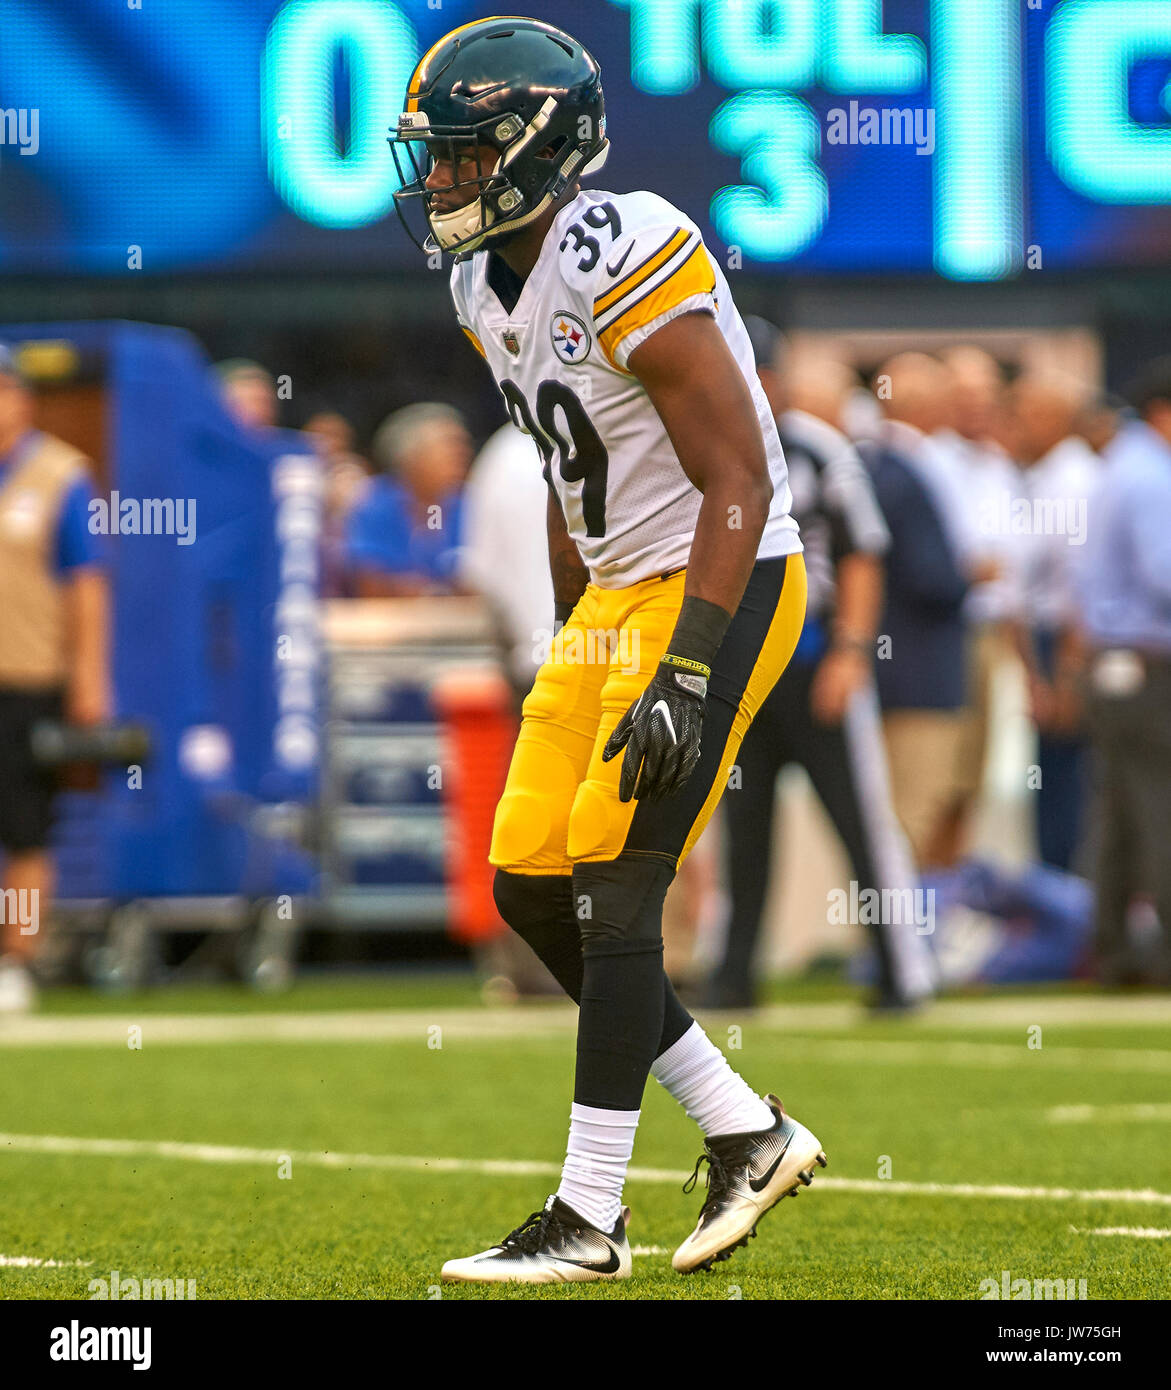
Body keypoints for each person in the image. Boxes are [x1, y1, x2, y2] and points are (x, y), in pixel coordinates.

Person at [389, 16, 824, 1283]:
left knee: (613, 880)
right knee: (529, 880)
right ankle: (746, 1128)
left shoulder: (625, 243)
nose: (442, 180)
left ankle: (589, 1217)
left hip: (719, 580)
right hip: (608, 605)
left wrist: (686, 665)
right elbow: (561, 459)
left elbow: (738, 473)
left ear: (533, 149)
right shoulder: (481, 285)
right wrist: (572, 627)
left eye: (463, 156)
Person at [706, 320, 933, 1013]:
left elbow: (864, 550)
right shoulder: (700, 440)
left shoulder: (814, 446)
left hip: (813, 664)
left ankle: (900, 970)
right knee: (739, 829)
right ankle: (734, 973)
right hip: (742, 670)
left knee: (858, 821)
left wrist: (849, 652)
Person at [0, 346, 110, 1012]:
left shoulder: (60, 476)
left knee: (26, 827)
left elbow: (86, 586)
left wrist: (89, 678)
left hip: (28, 673)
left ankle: (20, 956)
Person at [1076, 358, 1171, 985]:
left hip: (1118, 665)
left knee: (1122, 810)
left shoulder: (1126, 463)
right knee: (1156, 806)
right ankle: (1158, 951)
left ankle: (1113, 950)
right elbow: (1164, 575)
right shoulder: (1150, 474)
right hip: (1144, 663)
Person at [863, 354, 972, 870]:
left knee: (894, 812)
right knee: (914, 810)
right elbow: (932, 580)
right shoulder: (905, 473)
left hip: (888, 668)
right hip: (920, 672)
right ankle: (900, 941)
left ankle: (892, 939)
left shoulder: (871, 463)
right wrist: (971, 576)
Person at [1007, 371, 1099, 871]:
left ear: (1054, 419)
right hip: (1045, 647)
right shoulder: (1037, 475)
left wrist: (1063, 676)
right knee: (1049, 782)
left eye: (1022, 414)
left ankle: (1074, 916)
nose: (1012, 424)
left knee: (1069, 791)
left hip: (1066, 647)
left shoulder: (1075, 481)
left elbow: (1078, 592)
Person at [344, 403, 471, 596]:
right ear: (411, 457)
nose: (462, 454)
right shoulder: (375, 503)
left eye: (463, 445)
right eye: (450, 445)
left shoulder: (470, 505)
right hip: (390, 623)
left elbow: (488, 581)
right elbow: (370, 584)